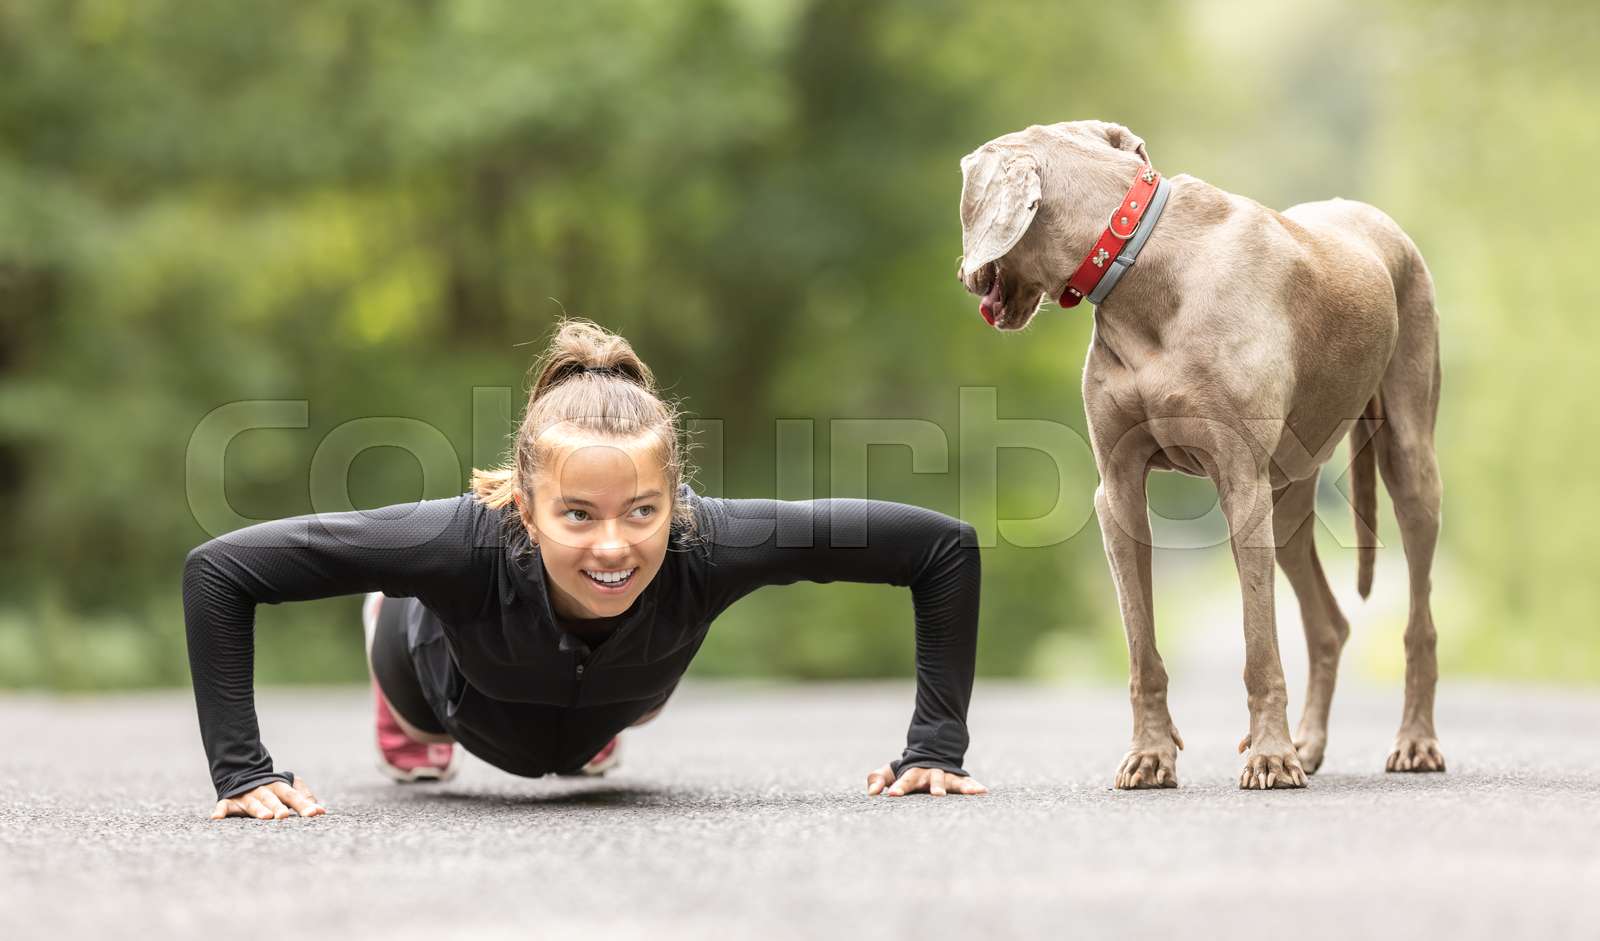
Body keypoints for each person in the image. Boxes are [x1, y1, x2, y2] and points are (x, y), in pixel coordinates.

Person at [182, 320, 987, 821]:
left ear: (676, 498)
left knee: (593, 720)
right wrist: (243, 770)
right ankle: (399, 664)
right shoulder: (461, 539)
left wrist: (935, 747)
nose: (613, 543)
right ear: (526, 508)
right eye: (576, 513)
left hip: (614, 691)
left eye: (642, 510)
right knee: (421, 697)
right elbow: (220, 572)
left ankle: (591, 723)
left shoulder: (713, 539)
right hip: (450, 687)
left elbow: (941, 549)